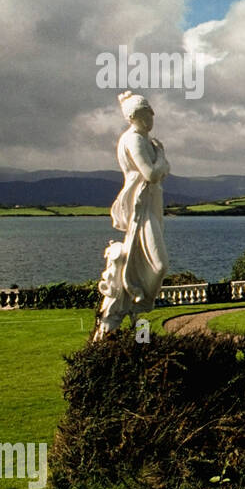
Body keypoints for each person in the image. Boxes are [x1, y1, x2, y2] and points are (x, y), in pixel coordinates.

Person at [94, 91, 170, 338]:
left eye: (149, 113)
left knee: (154, 264)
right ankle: (135, 296)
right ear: (133, 117)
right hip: (142, 208)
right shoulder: (135, 140)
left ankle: (134, 300)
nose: (150, 119)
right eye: (143, 115)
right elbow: (151, 174)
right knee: (158, 266)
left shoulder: (144, 140)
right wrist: (162, 158)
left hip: (151, 204)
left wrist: (161, 162)